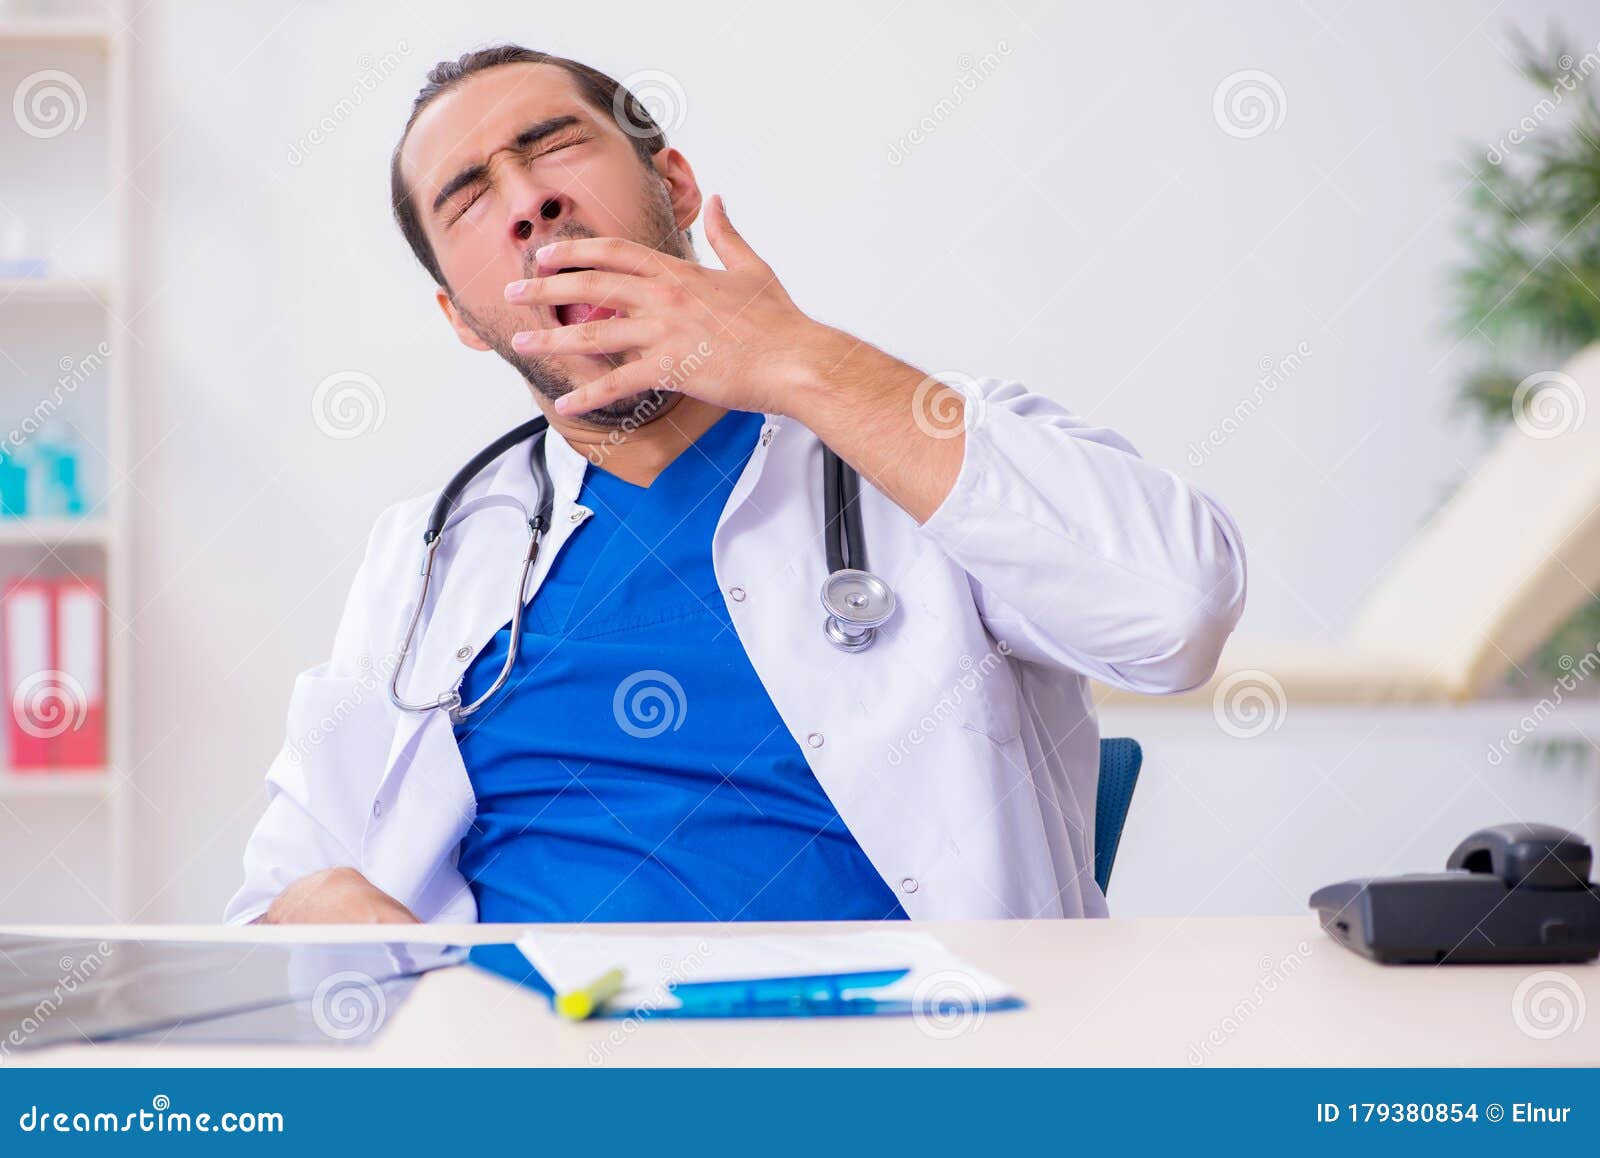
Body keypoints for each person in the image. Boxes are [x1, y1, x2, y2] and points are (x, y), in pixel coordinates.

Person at [224, 45, 1246, 926]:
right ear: (460, 317)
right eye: (468, 196)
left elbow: (1175, 616)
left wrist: (800, 362)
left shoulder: (914, 440)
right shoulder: (429, 555)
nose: (527, 200)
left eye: (553, 148)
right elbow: (280, 890)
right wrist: (336, 930)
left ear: (672, 189)